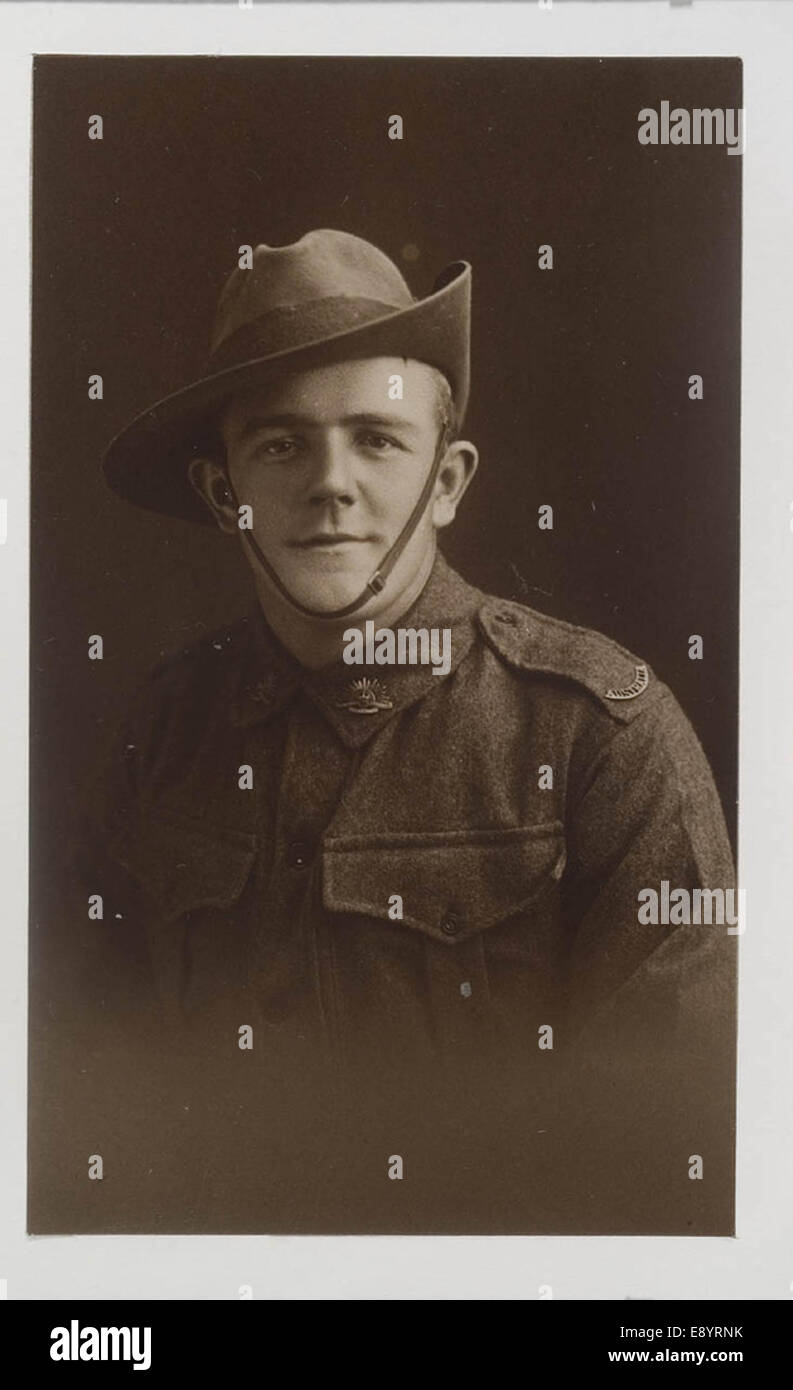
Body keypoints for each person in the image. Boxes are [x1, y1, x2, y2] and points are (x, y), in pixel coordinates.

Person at [72, 229, 736, 1232]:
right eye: (281, 444)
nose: (331, 483)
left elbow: (667, 1163)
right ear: (222, 493)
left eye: (377, 439)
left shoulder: (602, 736)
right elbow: (81, 1105)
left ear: (450, 481)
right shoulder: (162, 735)